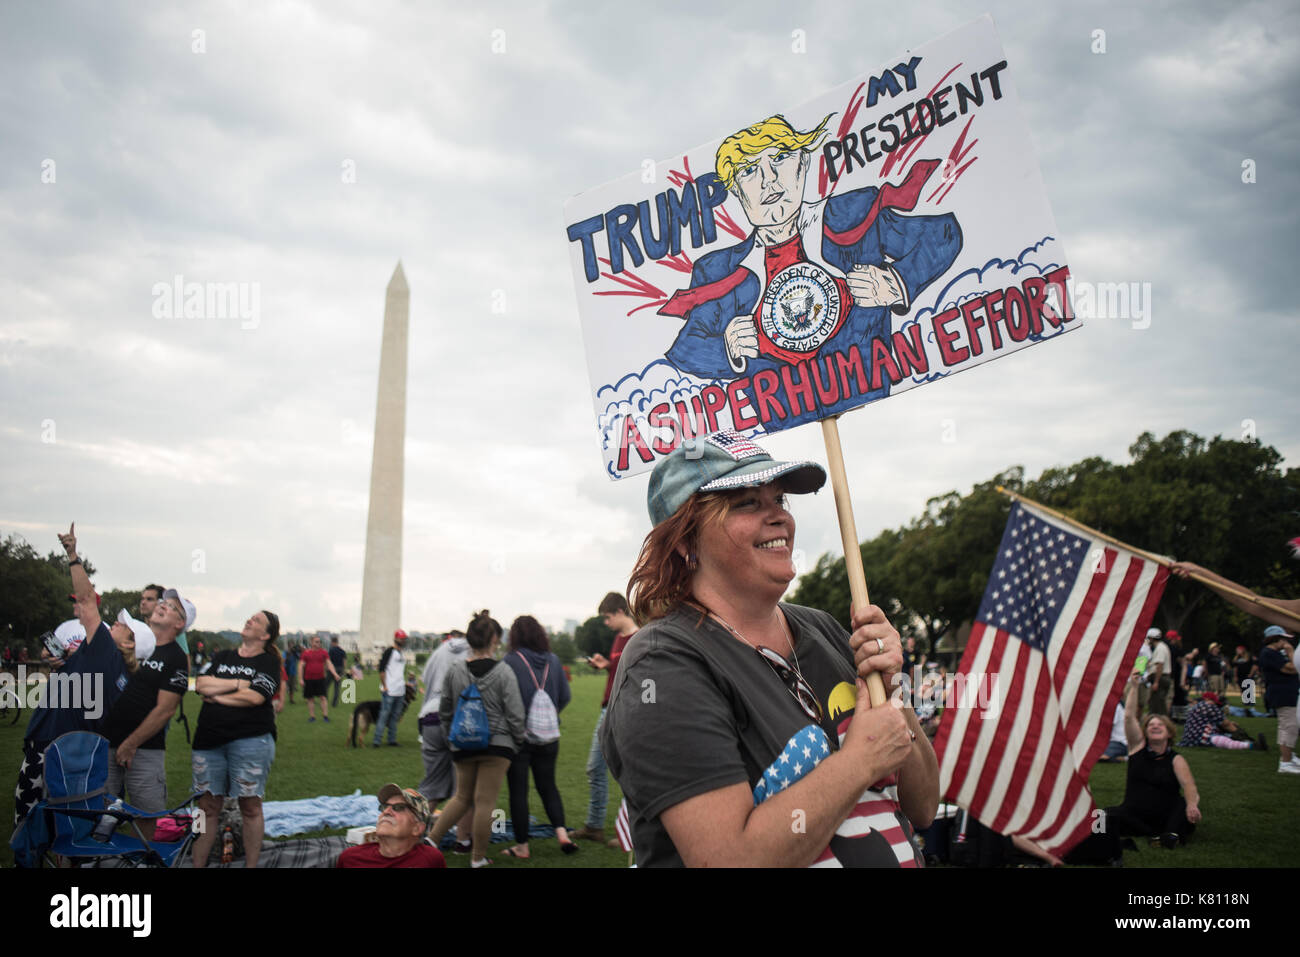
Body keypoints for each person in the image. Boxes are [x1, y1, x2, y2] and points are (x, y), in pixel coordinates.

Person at [602, 430, 938, 866]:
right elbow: (727, 859)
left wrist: (893, 690)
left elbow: (924, 806)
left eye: (779, 500)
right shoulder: (662, 663)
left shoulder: (824, 629)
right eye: (746, 503)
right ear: (685, 541)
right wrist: (859, 762)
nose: (779, 517)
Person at [657, 116, 962, 428]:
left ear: (803, 164)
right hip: (788, 418)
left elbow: (943, 234)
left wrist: (895, 283)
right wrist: (728, 348)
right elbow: (685, 348)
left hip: (872, 408)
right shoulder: (718, 268)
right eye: (749, 171)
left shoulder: (852, 214)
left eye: (779, 159)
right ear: (736, 191)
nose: (768, 180)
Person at [13, 529, 138, 827]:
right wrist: (66, 663)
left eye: (121, 625)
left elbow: (86, 599)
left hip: (52, 744)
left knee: (31, 818)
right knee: (65, 822)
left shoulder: (104, 649)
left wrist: (72, 555)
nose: (114, 624)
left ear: (129, 643)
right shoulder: (113, 665)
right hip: (67, 745)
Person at [425, 611, 525, 868]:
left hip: (462, 742)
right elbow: (515, 713)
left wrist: (451, 737)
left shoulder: (455, 671)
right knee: (485, 802)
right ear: (494, 640)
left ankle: (430, 842)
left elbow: (445, 709)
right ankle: (477, 858)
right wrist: (517, 740)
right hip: (498, 745)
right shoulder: (504, 671)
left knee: (461, 798)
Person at [98, 574, 193, 840]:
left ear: (179, 623)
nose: (163, 605)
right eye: (164, 602)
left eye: (172, 607)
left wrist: (131, 743)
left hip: (144, 749)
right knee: (98, 812)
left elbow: (165, 710)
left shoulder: (175, 657)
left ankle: (140, 858)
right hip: (105, 741)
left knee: (145, 814)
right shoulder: (135, 639)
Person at [190, 610, 282, 868]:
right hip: (208, 741)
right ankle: (197, 863)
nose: (249, 620)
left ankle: (251, 865)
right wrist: (240, 683)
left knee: (250, 806)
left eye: (257, 620)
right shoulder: (222, 656)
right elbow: (200, 684)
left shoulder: (268, 662)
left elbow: (256, 698)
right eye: (250, 617)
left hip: (250, 741)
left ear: (265, 635)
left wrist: (218, 695)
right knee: (204, 807)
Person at [501, 615, 576, 859]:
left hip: (519, 738)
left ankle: (522, 847)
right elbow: (565, 696)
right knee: (549, 787)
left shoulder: (510, 661)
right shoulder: (554, 661)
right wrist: (550, 715)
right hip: (549, 738)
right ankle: (562, 834)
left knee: (518, 792)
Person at [1102, 673, 1201, 849]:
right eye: (1150, 725)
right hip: (1134, 815)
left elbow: (1189, 786)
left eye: (1160, 725)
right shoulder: (1137, 749)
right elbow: (1129, 717)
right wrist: (1133, 687)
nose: (1155, 726)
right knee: (1099, 815)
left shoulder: (1176, 759)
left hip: (1165, 816)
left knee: (1182, 803)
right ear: (1145, 732)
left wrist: (1192, 805)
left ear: (1169, 733)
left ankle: (1170, 836)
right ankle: (1094, 838)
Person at [573, 592, 637, 845]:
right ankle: (594, 825)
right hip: (606, 710)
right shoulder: (618, 640)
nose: (606, 623)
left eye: (608, 617)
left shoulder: (638, 637)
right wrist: (607, 665)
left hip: (625, 711)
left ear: (620, 612)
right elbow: (618, 668)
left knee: (629, 774)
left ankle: (630, 832)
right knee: (595, 767)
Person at [416, 631, 471, 843]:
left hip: (431, 716)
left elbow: (426, 681)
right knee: (464, 789)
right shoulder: (473, 651)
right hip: (459, 717)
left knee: (431, 786)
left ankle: (415, 838)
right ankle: (463, 841)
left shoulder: (438, 652)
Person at [337, 785, 445, 868]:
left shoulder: (430, 860)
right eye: (384, 807)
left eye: (398, 807)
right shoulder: (351, 858)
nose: (387, 812)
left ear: (417, 828)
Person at [1258, 625, 1299, 773]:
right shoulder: (1269, 653)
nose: (1286, 643)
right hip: (1282, 694)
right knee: (1289, 726)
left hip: (1287, 693)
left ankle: (1289, 756)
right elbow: (1293, 668)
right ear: (1277, 638)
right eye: (1284, 639)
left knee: (1290, 725)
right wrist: (1291, 652)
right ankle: (1286, 762)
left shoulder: (1273, 653)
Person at [1178, 692, 1265, 751]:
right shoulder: (1209, 706)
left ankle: (1250, 743)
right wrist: (1239, 732)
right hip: (1201, 738)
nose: (1216, 706)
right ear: (1209, 699)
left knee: (1225, 736)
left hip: (1188, 739)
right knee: (1225, 740)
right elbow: (1226, 724)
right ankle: (1251, 745)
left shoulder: (1198, 706)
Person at [373, 629, 409, 746]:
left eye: (404, 639)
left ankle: (391, 740)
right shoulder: (389, 651)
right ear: (396, 639)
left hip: (400, 690)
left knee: (395, 716)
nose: (403, 641)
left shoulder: (401, 653)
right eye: (402, 639)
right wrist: (385, 686)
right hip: (389, 690)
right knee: (384, 715)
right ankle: (377, 740)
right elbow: (382, 669)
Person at [299, 634, 339, 723]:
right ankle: (312, 717)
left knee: (323, 698)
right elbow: (301, 666)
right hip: (309, 679)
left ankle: (325, 716)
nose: (319, 643)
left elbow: (329, 664)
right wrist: (301, 679)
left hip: (320, 679)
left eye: (319, 642)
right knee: (310, 698)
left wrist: (335, 674)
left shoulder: (324, 652)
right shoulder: (306, 653)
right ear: (311, 642)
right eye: (316, 642)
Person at [1147, 630, 1173, 716]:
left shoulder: (1160, 648)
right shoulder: (1161, 647)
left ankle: (1161, 719)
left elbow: (1160, 665)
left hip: (1161, 678)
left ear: (1151, 638)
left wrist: (1156, 682)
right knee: (1156, 702)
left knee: (1158, 704)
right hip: (1161, 678)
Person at [328, 635, 347, 707]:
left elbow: (328, 660)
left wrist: (326, 668)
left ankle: (324, 700)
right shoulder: (342, 651)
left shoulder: (331, 650)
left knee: (326, 685)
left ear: (333, 642)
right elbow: (344, 661)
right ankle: (334, 703)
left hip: (332, 669)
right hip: (340, 669)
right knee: (337, 687)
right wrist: (343, 670)